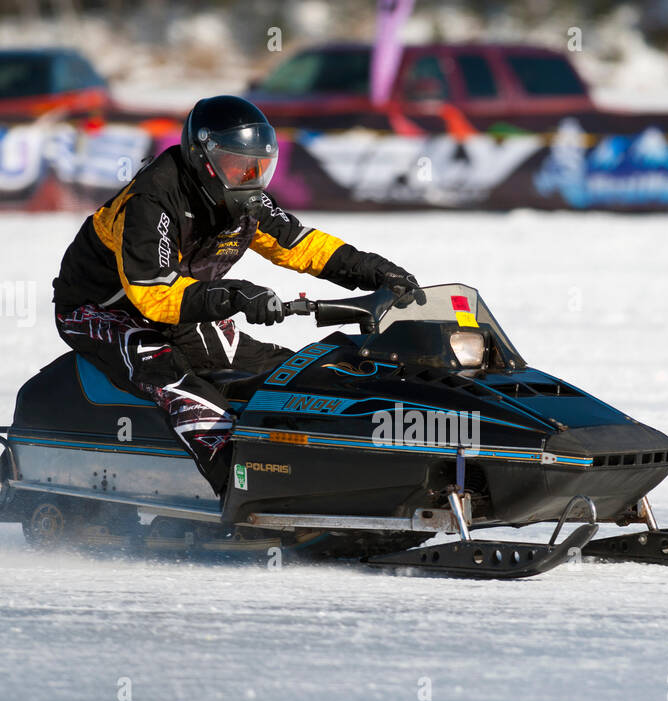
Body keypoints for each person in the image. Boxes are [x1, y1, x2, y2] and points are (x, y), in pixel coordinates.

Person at [51, 95, 421, 493]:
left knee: (288, 374)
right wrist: (237, 297)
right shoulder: (152, 201)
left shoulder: (245, 198)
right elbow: (152, 294)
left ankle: (331, 471)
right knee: (178, 382)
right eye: (238, 165)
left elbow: (300, 246)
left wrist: (377, 271)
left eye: (259, 167)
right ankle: (241, 493)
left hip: (185, 307)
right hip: (104, 311)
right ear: (202, 160)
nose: (250, 177)